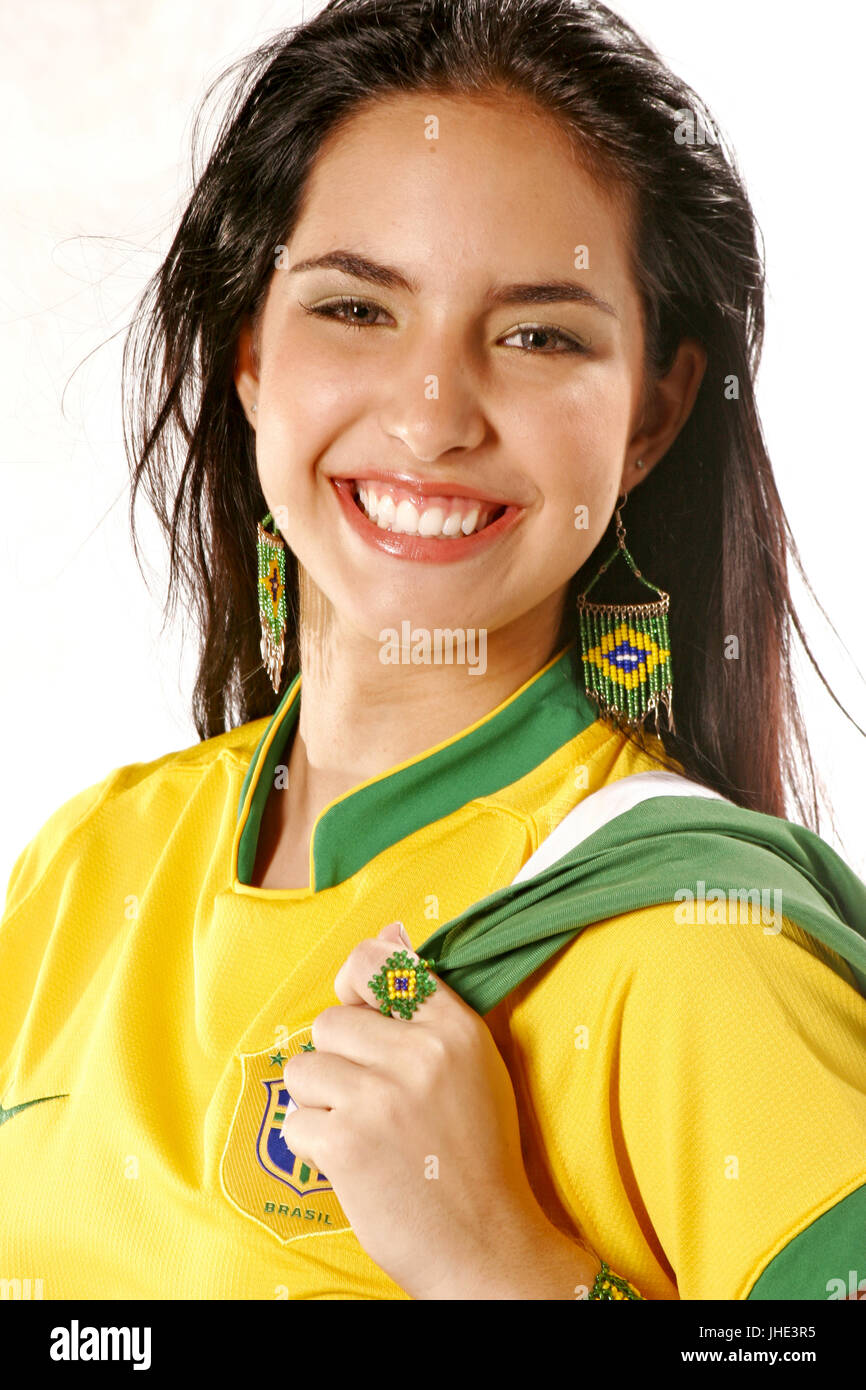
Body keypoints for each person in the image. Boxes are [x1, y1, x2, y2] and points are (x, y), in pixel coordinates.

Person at [2, 0, 865, 1302]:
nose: (430, 413)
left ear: (650, 415)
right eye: (355, 308)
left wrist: (507, 1266)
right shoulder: (88, 863)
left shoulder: (695, 943)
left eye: (538, 334)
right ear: (250, 353)